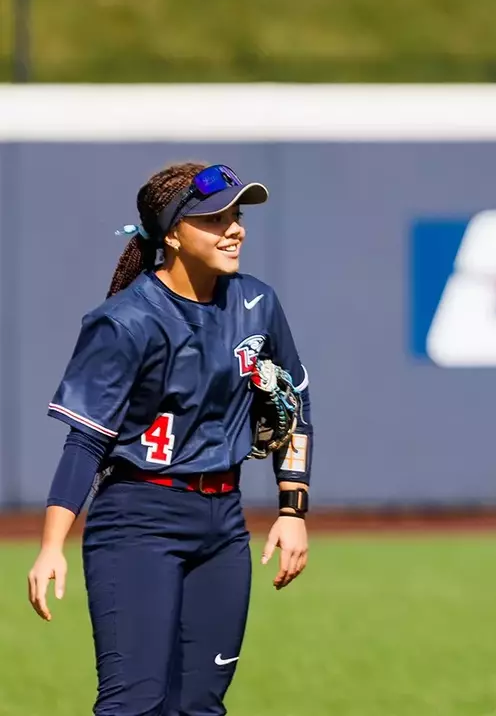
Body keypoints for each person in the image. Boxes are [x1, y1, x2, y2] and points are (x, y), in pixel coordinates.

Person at [25, 161, 315, 716]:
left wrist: (292, 507)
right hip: (137, 520)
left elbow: (294, 406)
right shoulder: (126, 321)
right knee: (134, 704)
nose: (234, 228)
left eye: (236, 214)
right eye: (214, 217)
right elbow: (85, 441)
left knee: (200, 706)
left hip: (223, 523)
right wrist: (49, 546)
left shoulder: (257, 304)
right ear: (173, 235)